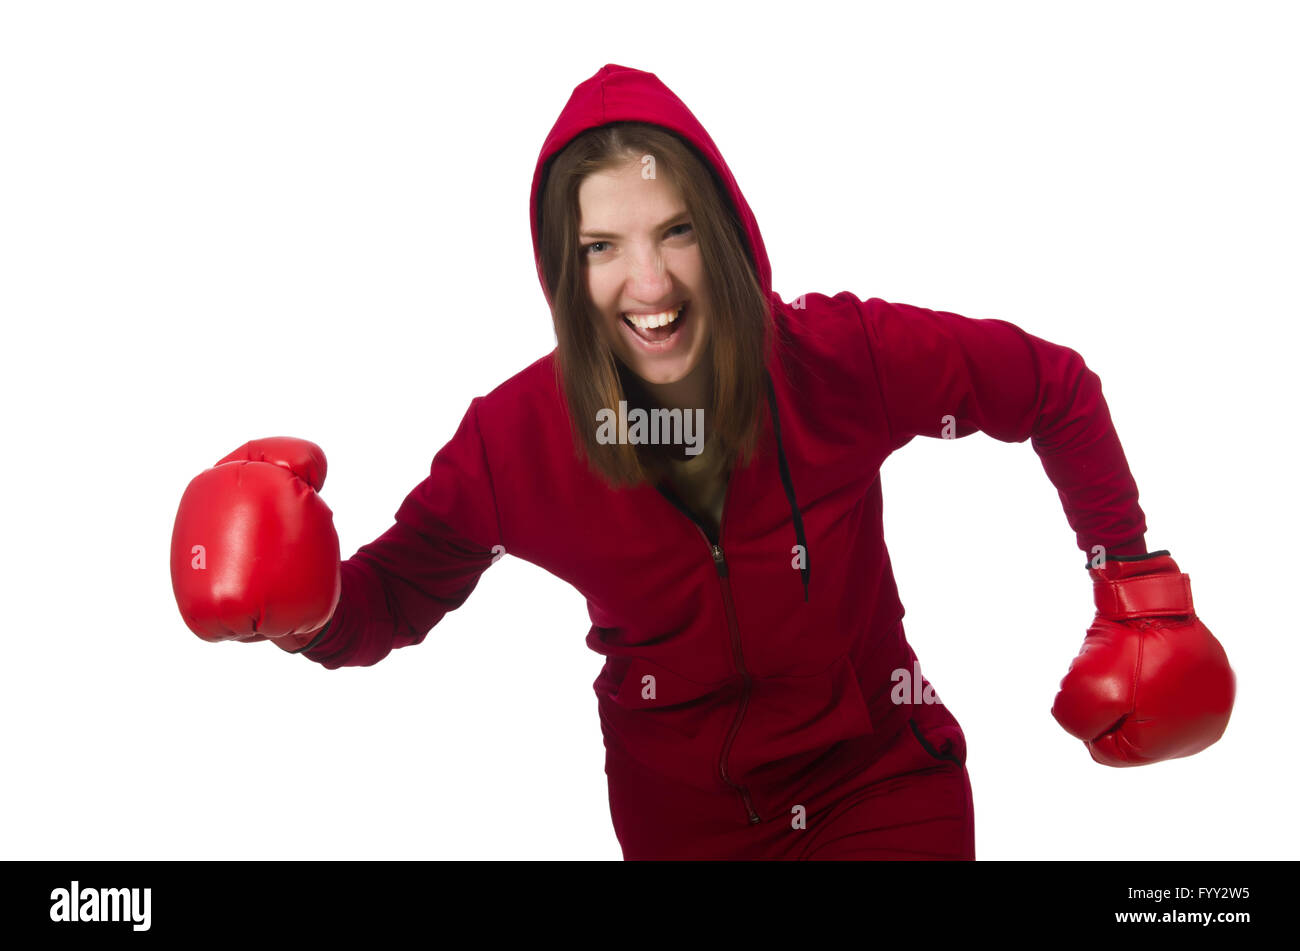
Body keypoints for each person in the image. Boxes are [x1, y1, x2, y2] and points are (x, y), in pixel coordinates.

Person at [170, 64, 1235, 860]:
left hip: (878, 783)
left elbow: (1048, 386)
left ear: (723, 234)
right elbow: (390, 598)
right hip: (682, 823)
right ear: (563, 269)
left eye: (674, 232)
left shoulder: (839, 359)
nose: (648, 283)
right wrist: (305, 614)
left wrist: (1135, 586)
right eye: (601, 247)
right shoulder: (516, 439)